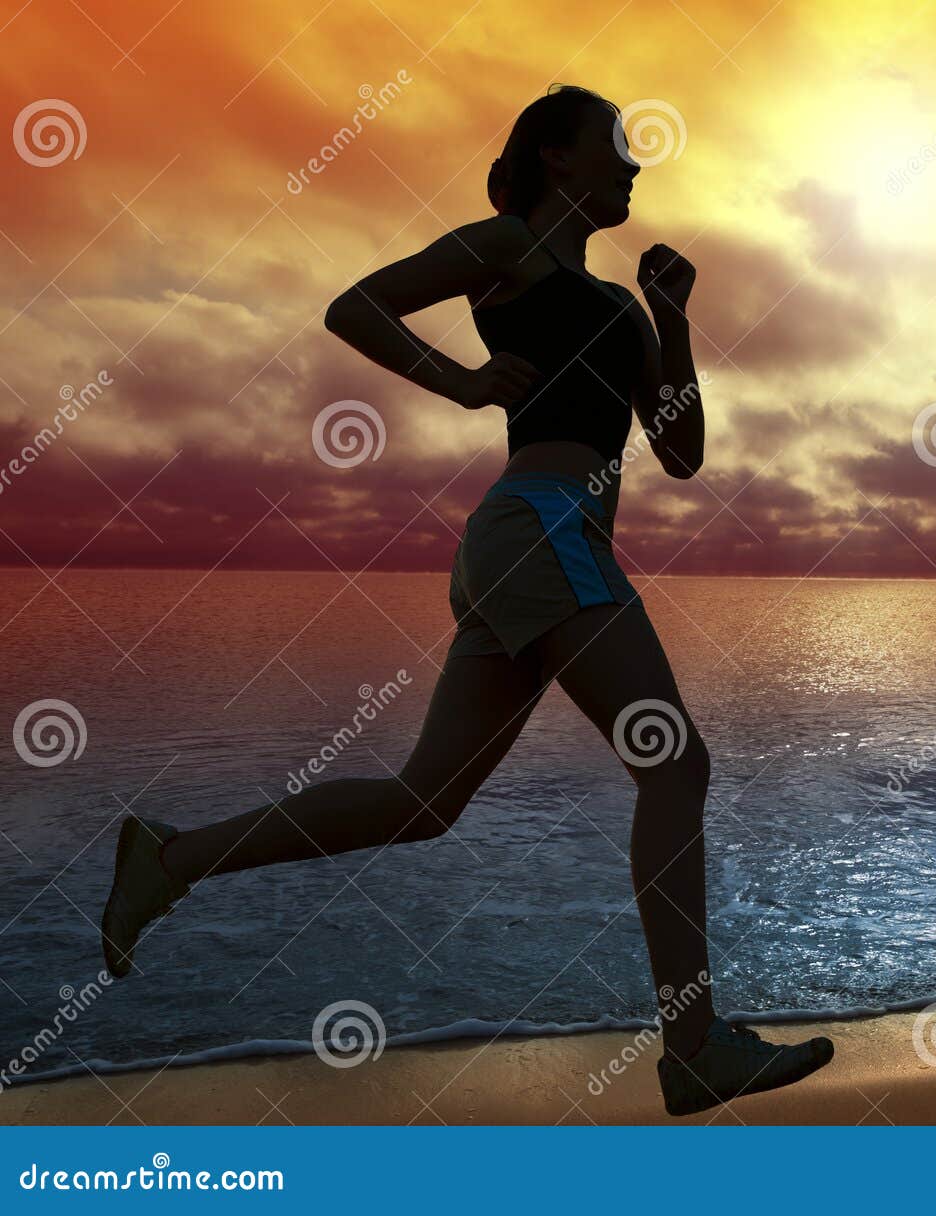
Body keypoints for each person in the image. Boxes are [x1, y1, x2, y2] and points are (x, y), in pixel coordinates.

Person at [99, 84, 833, 1117]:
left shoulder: (623, 307)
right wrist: (464, 382)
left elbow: (680, 450)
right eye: (615, 147)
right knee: (675, 759)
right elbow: (357, 305)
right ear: (556, 158)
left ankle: (168, 859)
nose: (634, 165)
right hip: (538, 530)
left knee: (423, 803)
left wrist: (671, 321)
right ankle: (693, 1043)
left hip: (536, 546)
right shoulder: (508, 247)